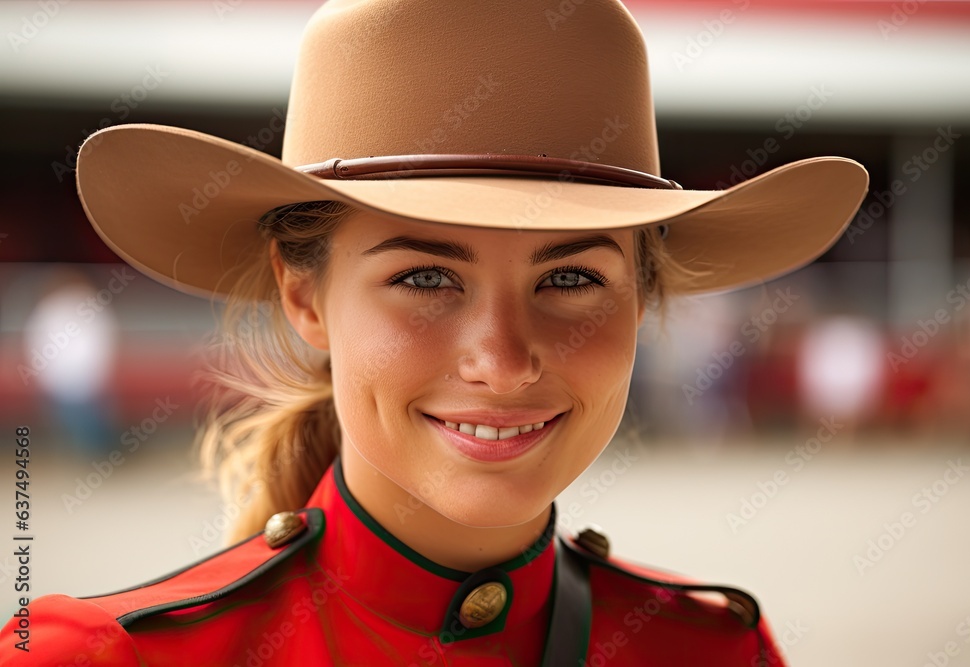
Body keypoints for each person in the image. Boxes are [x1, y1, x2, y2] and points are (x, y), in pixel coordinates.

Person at [2, 0, 868, 663]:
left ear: (642, 303)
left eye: (570, 278)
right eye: (425, 278)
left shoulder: (713, 651)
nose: (502, 358)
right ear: (304, 297)